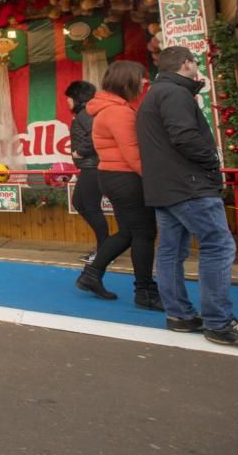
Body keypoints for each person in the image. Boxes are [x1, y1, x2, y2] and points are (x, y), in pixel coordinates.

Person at [137, 46, 238, 351]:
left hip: (165, 187)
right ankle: (219, 323)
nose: (197, 67)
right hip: (189, 185)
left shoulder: (154, 94)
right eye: (195, 63)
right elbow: (184, 136)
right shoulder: (175, 93)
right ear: (186, 63)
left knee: (171, 251)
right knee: (218, 245)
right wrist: (212, 162)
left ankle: (179, 315)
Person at [75, 62, 162, 311]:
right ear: (128, 81)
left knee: (128, 232)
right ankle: (145, 292)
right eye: (141, 78)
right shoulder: (119, 112)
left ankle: (92, 274)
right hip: (126, 177)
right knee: (144, 234)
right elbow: (133, 154)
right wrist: (156, 181)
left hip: (114, 176)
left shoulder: (111, 108)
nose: (144, 82)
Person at [64, 81, 109, 263]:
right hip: (89, 167)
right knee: (79, 203)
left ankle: (105, 251)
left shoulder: (86, 114)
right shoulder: (84, 114)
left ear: (78, 98)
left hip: (93, 167)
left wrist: (80, 152)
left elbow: (95, 134)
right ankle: (105, 247)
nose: (67, 101)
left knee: (91, 207)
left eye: (69, 98)